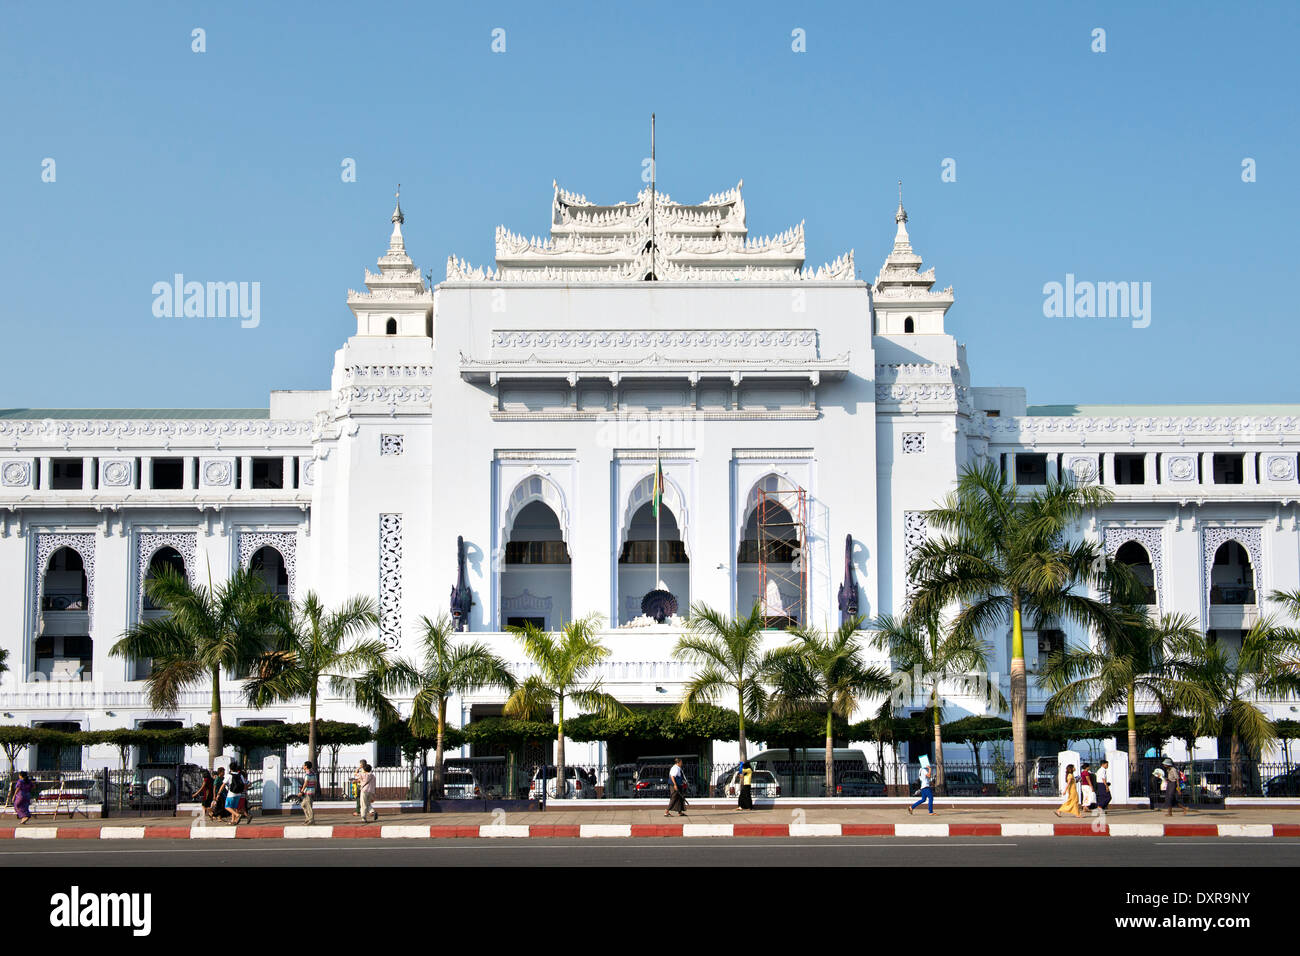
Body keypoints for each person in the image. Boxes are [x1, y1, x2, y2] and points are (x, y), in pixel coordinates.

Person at [224, 761, 249, 825]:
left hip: (231, 793)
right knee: (234, 807)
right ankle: (233, 821)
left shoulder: (229, 775)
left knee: (227, 806)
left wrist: (218, 793)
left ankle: (237, 815)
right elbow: (245, 784)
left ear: (230, 768)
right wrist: (245, 792)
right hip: (239, 794)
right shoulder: (240, 775)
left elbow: (223, 784)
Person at [298, 760, 317, 825]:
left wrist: (301, 791)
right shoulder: (313, 773)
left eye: (304, 765)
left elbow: (306, 783)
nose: (303, 766)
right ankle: (308, 818)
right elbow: (315, 782)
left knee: (308, 806)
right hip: (311, 791)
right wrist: (314, 790)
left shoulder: (308, 773)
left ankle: (311, 820)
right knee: (303, 805)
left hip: (308, 792)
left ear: (306, 766)